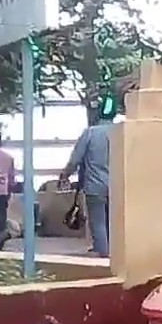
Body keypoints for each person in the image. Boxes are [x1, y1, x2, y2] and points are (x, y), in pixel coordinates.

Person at [60, 110, 112, 257]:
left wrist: (65, 175)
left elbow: (75, 160)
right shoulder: (120, 131)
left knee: (98, 222)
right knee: (113, 222)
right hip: (119, 185)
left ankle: (103, 255)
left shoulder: (90, 133)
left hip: (95, 185)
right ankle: (115, 253)